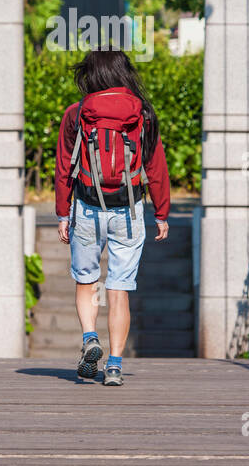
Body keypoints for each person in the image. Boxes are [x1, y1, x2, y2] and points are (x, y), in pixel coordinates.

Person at [54, 49, 171, 385]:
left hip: (87, 207)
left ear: (91, 75)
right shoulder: (143, 114)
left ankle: (90, 338)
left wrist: (63, 213)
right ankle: (115, 366)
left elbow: (65, 167)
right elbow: (156, 167)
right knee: (119, 288)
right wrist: (161, 212)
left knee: (87, 279)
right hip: (129, 210)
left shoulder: (76, 114)